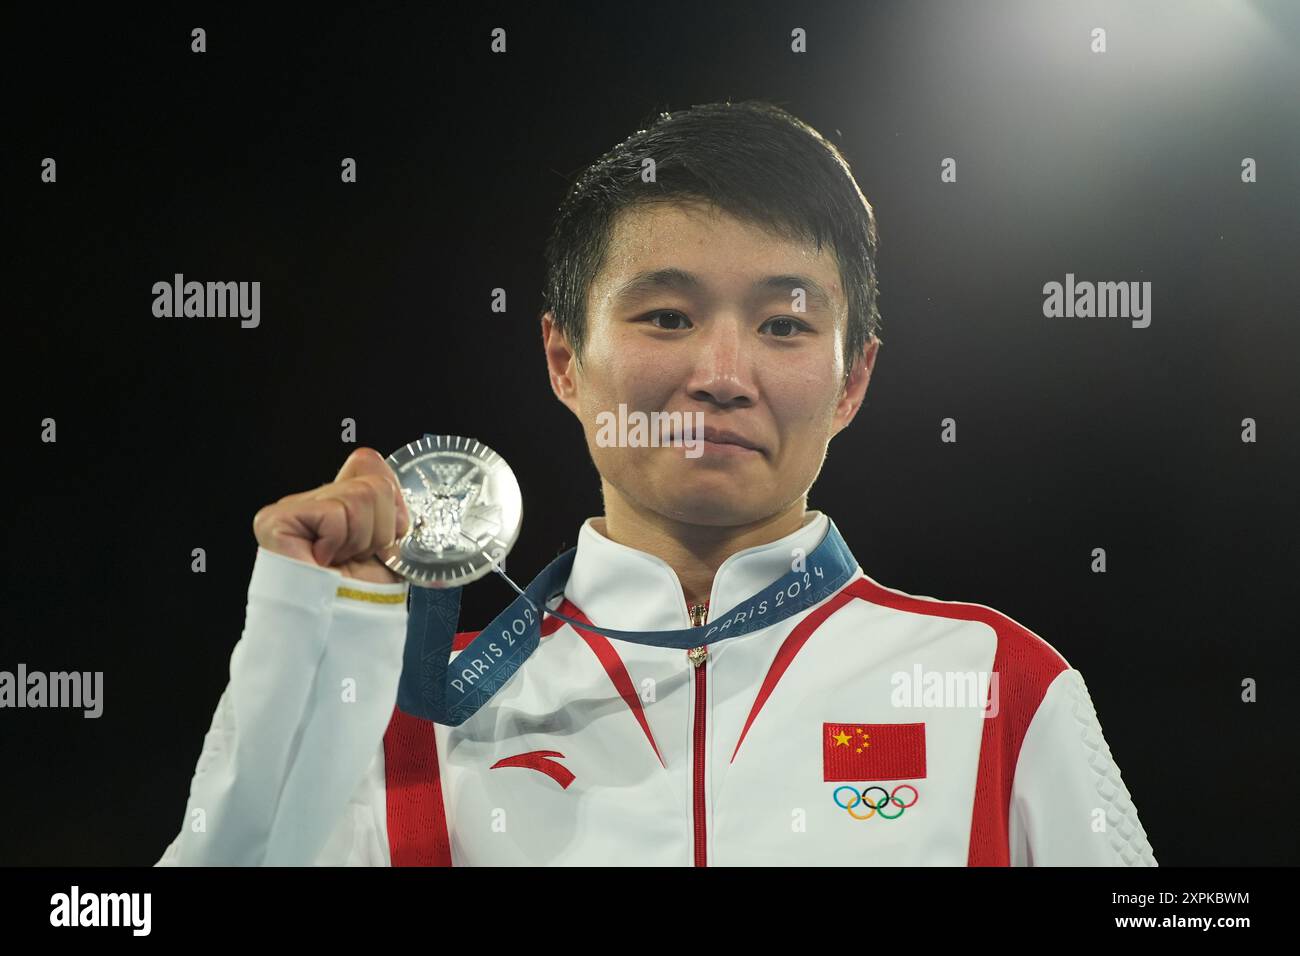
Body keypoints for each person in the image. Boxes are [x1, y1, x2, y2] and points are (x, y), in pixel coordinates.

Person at [157, 101, 1156, 866]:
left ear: (853, 378)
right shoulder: (400, 709)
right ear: (562, 360)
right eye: (666, 316)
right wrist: (299, 624)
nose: (722, 372)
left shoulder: (1000, 688)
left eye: (783, 324)